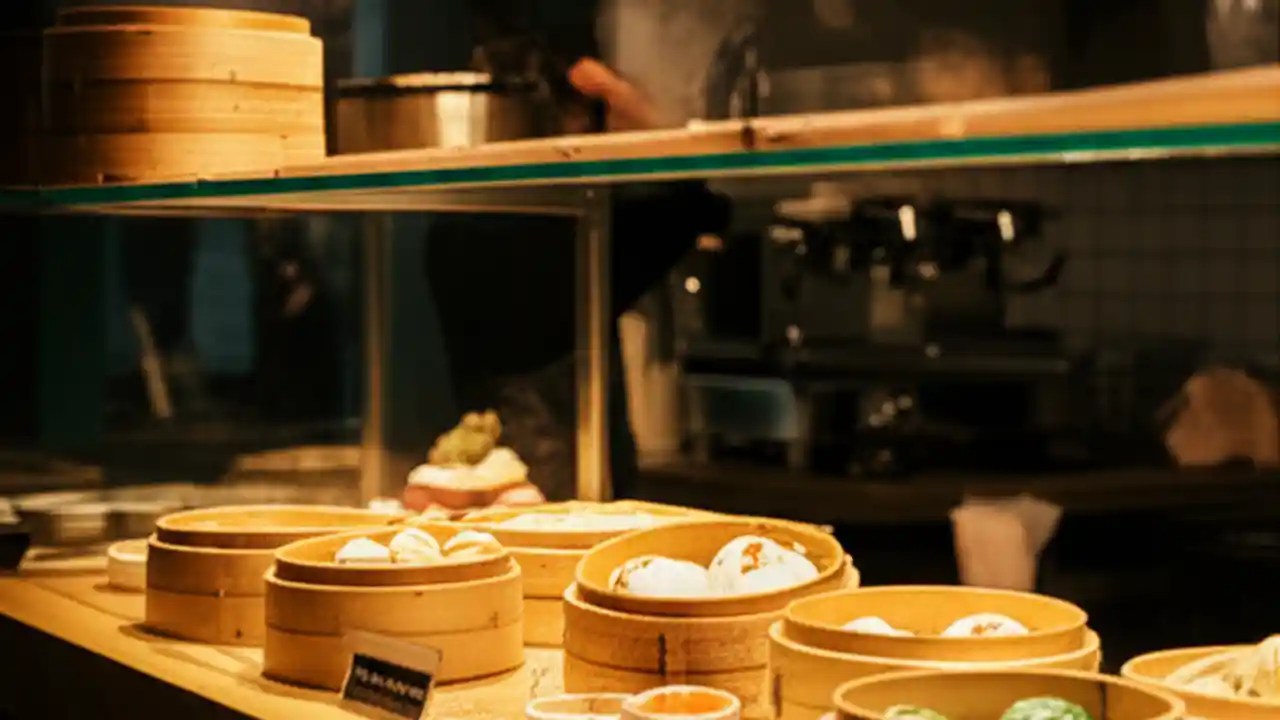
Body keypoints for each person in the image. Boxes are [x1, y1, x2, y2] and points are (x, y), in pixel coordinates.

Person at [423, 58, 730, 504]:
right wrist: (631, 106)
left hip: (491, 476)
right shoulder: (582, 227)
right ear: (575, 121)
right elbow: (703, 202)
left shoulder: (449, 228)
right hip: (571, 486)